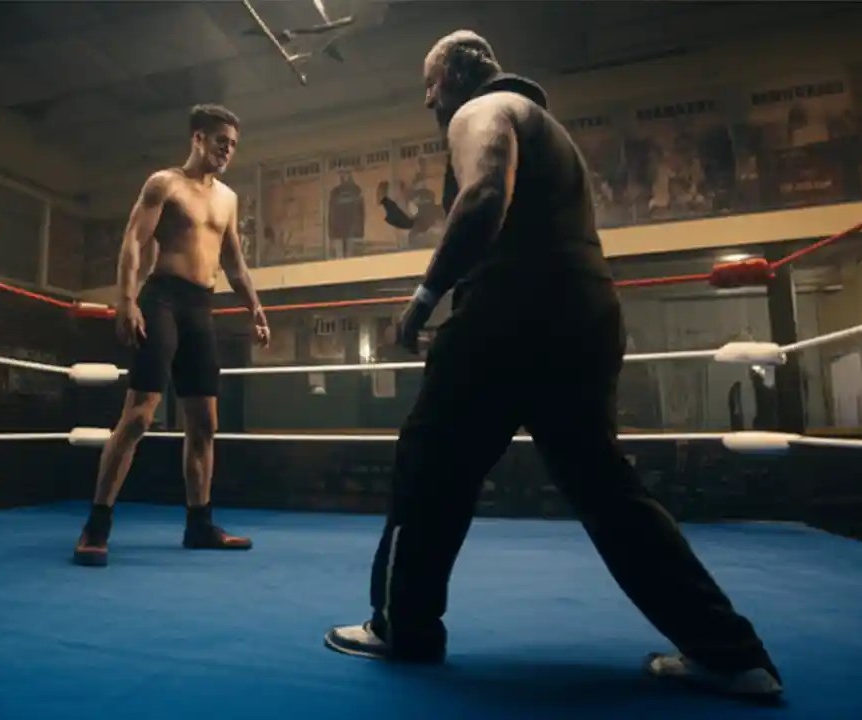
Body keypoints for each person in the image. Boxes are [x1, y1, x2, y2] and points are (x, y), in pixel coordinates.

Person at [322, 31, 784, 702]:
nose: (427, 100)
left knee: (429, 466)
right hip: (584, 315)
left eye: (430, 84)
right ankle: (733, 655)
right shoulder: (548, 131)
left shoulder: (483, 111)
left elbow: (484, 196)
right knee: (604, 487)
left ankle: (402, 627)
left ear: (454, 77)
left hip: (506, 317)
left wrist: (422, 302)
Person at [74, 104, 270, 567]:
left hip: (201, 307)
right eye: (221, 141)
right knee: (139, 415)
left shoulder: (228, 199)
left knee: (205, 422)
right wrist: (126, 300)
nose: (228, 150)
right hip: (161, 299)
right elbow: (133, 240)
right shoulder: (164, 184)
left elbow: (234, 263)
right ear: (198, 138)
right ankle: (96, 526)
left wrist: (256, 309)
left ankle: (199, 525)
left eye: (233, 145)